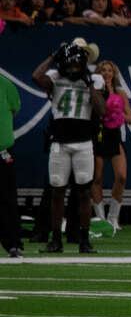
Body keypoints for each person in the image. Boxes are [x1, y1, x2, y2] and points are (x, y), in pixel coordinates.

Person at [32, 42, 105, 254]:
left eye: (76, 66)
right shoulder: (55, 77)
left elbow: (101, 110)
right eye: (69, 65)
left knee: (84, 193)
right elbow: (36, 77)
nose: (73, 69)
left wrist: (89, 83)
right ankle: (55, 239)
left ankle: (84, 239)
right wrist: (52, 56)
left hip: (83, 142)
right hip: (60, 142)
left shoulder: (93, 79)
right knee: (57, 190)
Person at [91, 58, 131, 229]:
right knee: (97, 178)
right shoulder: (94, 91)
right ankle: (100, 218)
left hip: (114, 137)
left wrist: (117, 116)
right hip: (98, 136)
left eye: (109, 70)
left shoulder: (120, 93)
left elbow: (130, 118)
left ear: (114, 74)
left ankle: (113, 217)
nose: (106, 73)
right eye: (103, 70)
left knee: (121, 177)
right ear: (98, 74)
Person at [0, 71, 20, 258]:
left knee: (7, 198)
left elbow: (14, 110)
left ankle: (13, 243)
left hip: (3, 150)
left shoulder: (6, 84)